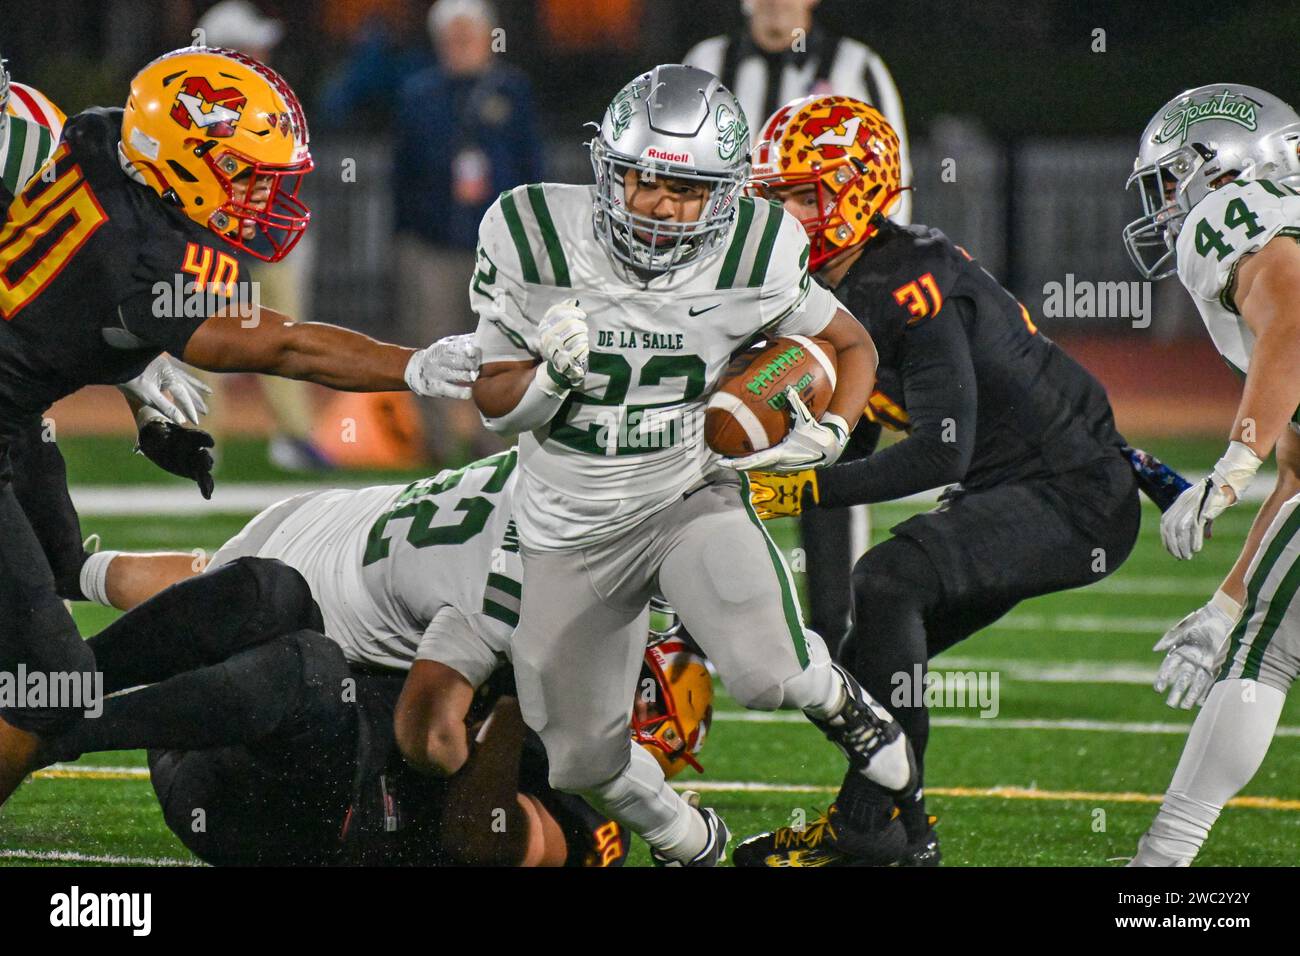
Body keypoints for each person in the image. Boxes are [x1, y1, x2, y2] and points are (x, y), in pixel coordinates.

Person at [0, 46, 479, 803]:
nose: (262, 192)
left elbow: (45, 277)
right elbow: (283, 343)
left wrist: (128, 369)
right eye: (246, 172)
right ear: (184, 160)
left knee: (60, 571)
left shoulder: (94, 136)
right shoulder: (142, 258)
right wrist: (413, 365)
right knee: (53, 689)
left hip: (16, 413)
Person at [469, 63, 915, 867]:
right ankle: (690, 840)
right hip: (565, 522)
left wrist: (835, 429)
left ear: (729, 193)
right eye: (642, 180)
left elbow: (851, 344)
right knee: (580, 757)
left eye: (691, 190)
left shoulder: (757, 247)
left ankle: (838, 699)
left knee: (765, 672)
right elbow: (493, 405)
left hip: (683, 494)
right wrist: (547, 381)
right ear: (606, 169)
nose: (662, 206)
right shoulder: (530, 231)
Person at [732, 95, 1142, 866]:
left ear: (859, 189)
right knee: (865, 662)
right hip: (1028, 481)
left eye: (801, 194)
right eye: (774, 196)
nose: (785, 216)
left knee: (888, 583)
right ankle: (874, 831)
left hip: (1071, 494)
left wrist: (800, 490)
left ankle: (901, 835)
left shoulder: (906, 282)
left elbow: (939, 454)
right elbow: (855, 429)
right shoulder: (840, 281)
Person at [684, 0, 910, 649]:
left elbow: (891, 183)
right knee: (705, 451)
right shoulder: (708, 64)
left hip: (826, 293)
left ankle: (833, 627)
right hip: (724, 293)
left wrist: (870, 288)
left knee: (829, 454)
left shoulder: (855, 66)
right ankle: (693, 629)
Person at [1120, 84, 1300, 867]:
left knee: (1264, 655)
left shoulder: (1239, 216)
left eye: (1170, 180)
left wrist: (1231, 468)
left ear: (1221, 168)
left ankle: (1160, 869)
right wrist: (1229, 597)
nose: (1165, 206)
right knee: (1257, 633)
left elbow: (1294, 317)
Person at [394, 0, 544, 466]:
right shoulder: (418, 93)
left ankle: (495, 451)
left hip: (497, 249)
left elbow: (531, 168)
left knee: (499, 350)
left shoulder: (512, 90)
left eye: (469, 36)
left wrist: (530, 240)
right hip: (433, 243)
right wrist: (404, 237)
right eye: (452, 37)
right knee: (427, 344)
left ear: (488, 38)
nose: (460, 46)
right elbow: (401, 174)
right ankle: (437, 450)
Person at [193, 0, 336, 473]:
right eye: (250, 46)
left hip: (267, 232)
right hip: (212, 237)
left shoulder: (267, 98)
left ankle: (295, 435)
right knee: (201, 342)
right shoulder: (196, 109)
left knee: (285, 336)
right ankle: (200, 440)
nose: (261, 54)